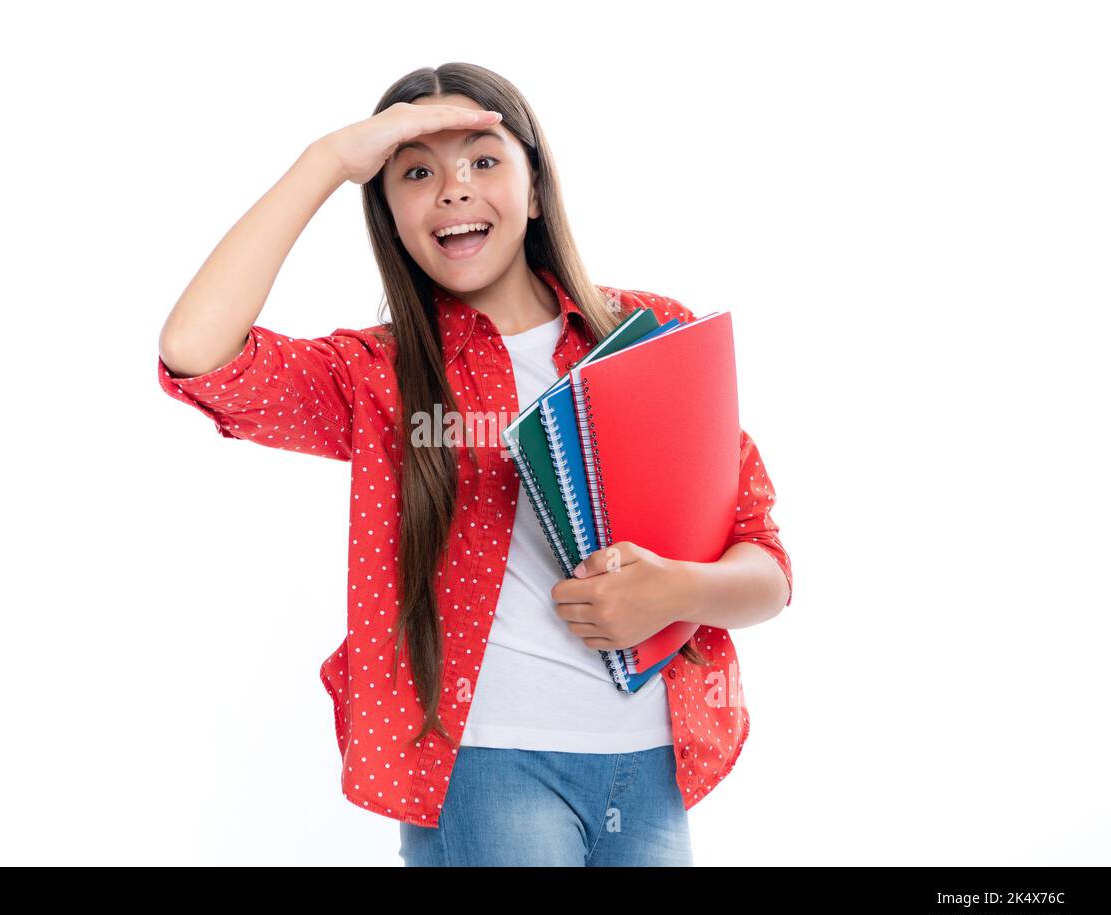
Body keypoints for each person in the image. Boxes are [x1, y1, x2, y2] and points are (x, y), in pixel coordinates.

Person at [157, 62, 793, 866]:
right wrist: (329, 160)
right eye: (416, 173)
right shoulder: (378, 377)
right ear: (389, 217)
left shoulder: (651, 335)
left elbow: (765, 564)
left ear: (535, 190)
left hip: (649, 771)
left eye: (483, 159)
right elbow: (197, 353)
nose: (453, 189)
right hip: (488, 773)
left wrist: (675, 592)